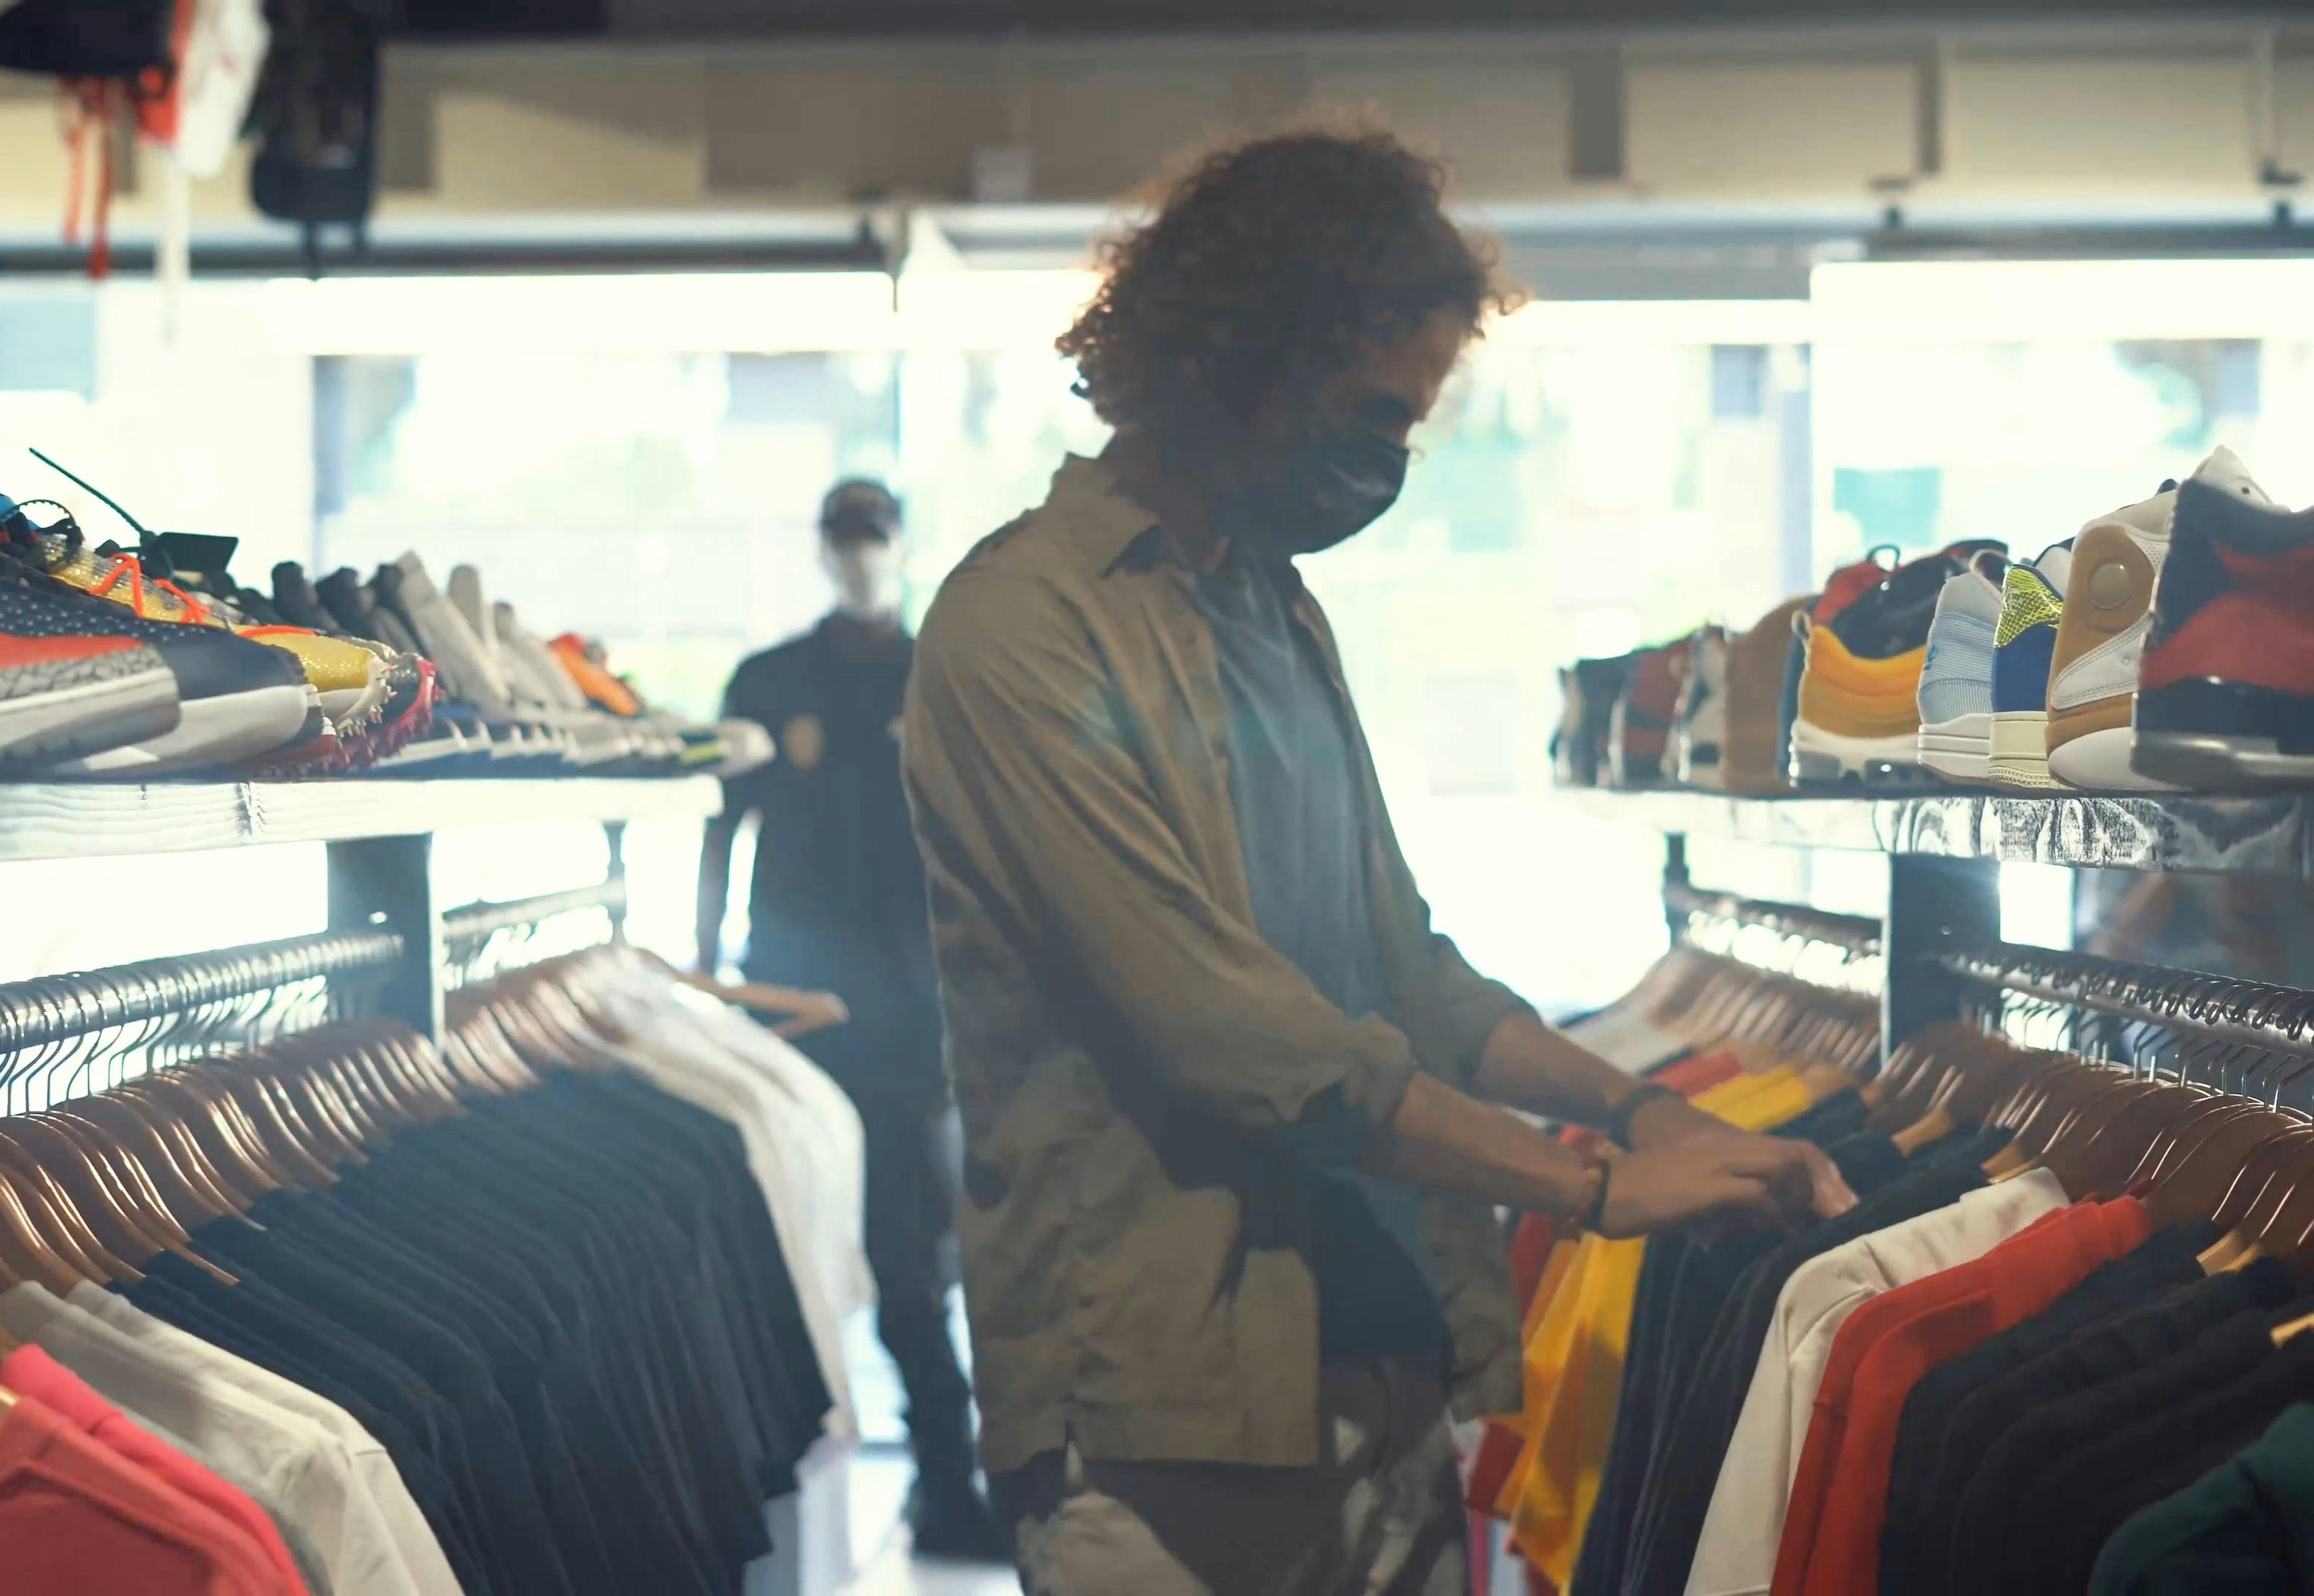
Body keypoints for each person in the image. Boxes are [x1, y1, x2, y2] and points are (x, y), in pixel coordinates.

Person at [899, 120, 1855, 1595]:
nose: (1386, 461)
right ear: (1247, 354)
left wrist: (1644, 1111)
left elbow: (1402, 966)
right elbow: (1226, 1030)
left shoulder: (1275, 610)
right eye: (1371, 415)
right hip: (1163, 1445)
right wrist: (1594, 1187)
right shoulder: (1022, 625)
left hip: (1378, 1381)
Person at [696, 479, 1010, 1561]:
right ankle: (771, 1490)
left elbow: (992, 844)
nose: (861, 555)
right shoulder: (770, 681)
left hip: (913, 1020)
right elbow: (718, 829)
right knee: (781, 1245)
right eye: (845, 537)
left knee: (913, 1259)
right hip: (788, 1011)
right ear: (824, 548)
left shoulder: (943, 678)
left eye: (874, 537)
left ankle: (948, 1483)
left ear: (902, 545)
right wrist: (705, 972)